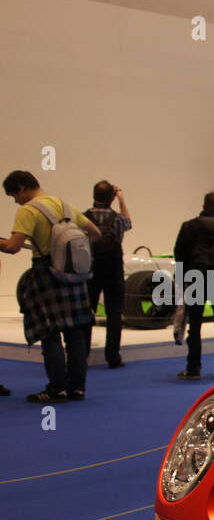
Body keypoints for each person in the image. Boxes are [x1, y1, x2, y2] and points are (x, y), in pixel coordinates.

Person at [0, 170, 102, 402]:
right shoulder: (65, 206)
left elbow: (14, 247)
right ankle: (77, 389)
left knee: (51, 335)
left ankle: (57, 389)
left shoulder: (28, 211)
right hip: (74, 276)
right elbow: (95, 234)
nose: (15, 200)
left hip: (47, 275)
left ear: (23, 188)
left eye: (14, 194)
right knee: (76, 335)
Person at [174, 191, 214, 379]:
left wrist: (182, 280)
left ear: (204, 206)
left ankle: (193, 367)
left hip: (194, 277)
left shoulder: (188, 227)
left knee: (194, 324)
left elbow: (180, 254)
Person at [82, 180, 131, 368]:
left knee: (87, 315)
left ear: (94, 196)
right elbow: (129, 222)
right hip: (113, 271)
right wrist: (121, 200)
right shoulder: (117, 219)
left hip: (90, 271)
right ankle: (113, 357)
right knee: (114, 315)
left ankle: (82, 354)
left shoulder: (83, 217)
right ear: (111, 197)